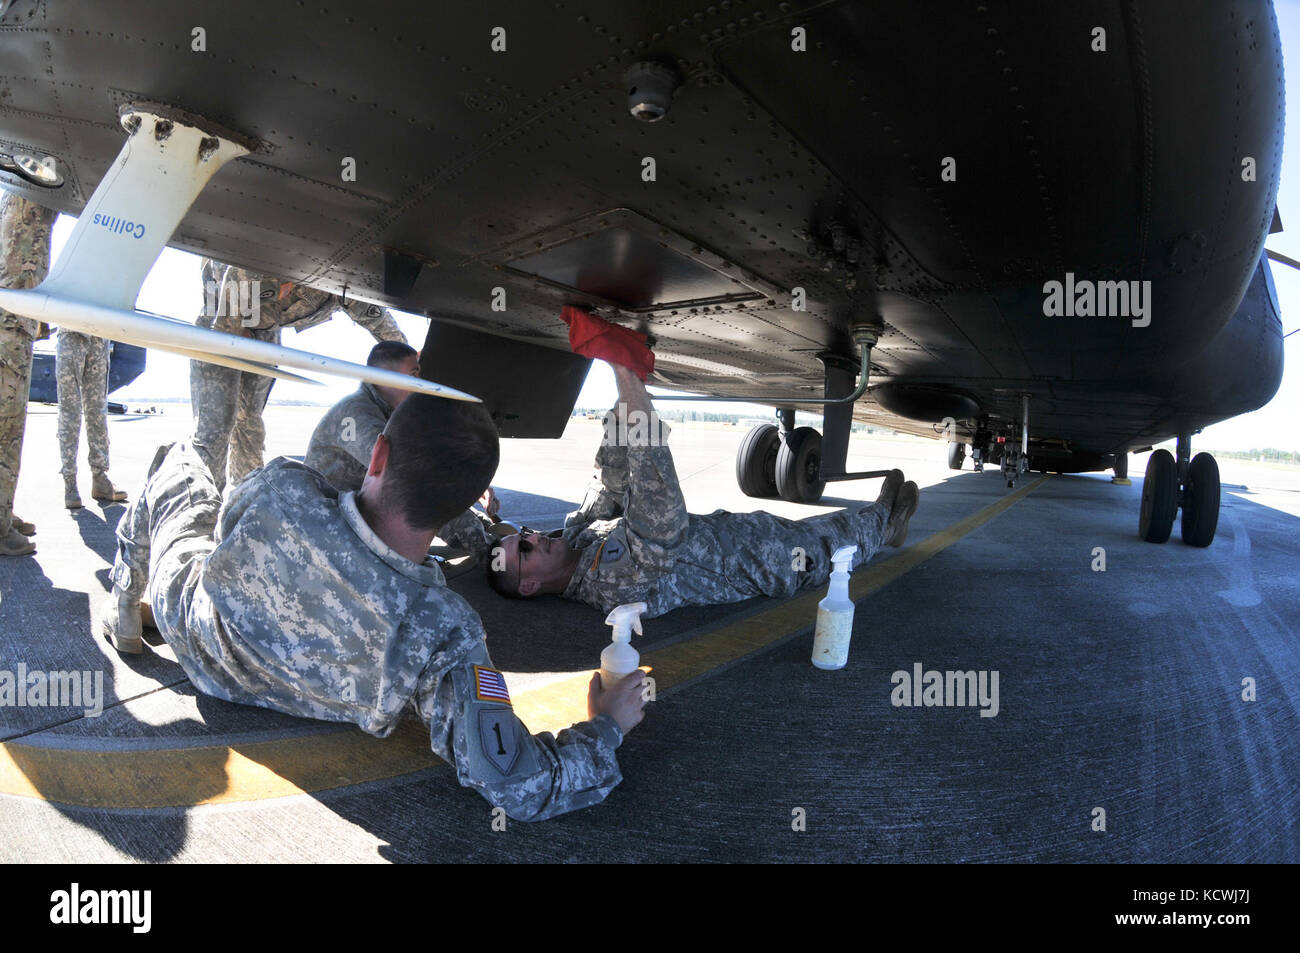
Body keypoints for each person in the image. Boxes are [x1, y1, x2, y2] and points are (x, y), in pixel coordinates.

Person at [100, 393, 647, 821]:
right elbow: (519, 786)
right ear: (462, 507)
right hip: (305, 701)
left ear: (378, 453)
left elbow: (227, 537)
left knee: (179, 466)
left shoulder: (283, 486)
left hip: (198, 636)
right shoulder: (444, 629)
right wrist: (606, 727)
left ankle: (126, 598)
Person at [486, 363, 920, 618]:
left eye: (522, 534)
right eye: (524, 551)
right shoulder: (611, 586)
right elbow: (661, 511)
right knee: (830, 547)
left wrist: (624, 388)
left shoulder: (578, 538)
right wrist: (626, 378)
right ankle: (885, 526)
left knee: (817, 526)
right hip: (763, 565)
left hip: (742, 531)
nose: (532, 538)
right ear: (530, 587)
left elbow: (610, 476)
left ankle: (880, 519)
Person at [191, 258, 409, 491]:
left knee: (250, 425)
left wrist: (412, 366)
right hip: (220, 328)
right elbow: (225, 306)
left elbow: (381, 325)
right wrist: (236, 334)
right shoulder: (258, 260)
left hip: (263, 331)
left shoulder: (343, 282)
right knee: (215, 430)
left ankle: (244, 498)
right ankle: (201, 510)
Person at [303, 340, 505, 554]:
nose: (421, 382)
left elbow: (430, 458)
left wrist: (470, 489)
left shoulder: (390, 411)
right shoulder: (356, 414)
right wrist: (485, 545)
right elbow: (413, 482)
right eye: (414, 374)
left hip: (353, 516)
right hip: (324, 528)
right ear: (386, 379)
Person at [0, 192, 55, 555]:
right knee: (6, 428)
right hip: (9, 326)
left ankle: (3, 508)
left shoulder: (20, 195)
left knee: (9, 429)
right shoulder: (29, 192)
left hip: (17, 321)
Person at [56, 327, 127, 508]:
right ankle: (70, 483)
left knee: (97, 411)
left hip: (99, 334)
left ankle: (100, 478)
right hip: (71, 329)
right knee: (69, 412)